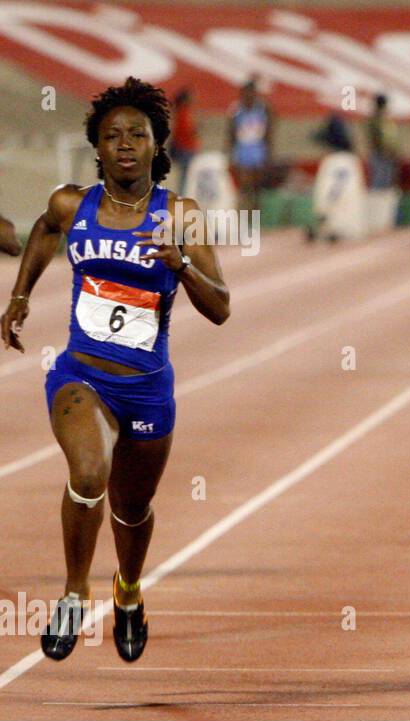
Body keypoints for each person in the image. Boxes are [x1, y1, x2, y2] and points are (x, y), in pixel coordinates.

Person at [1, 77, 231, 663]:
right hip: (81, 375)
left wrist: (182, 266)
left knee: (132, 510)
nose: (124, 143)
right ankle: (75, 594)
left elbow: (221, 307)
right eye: (112, 135)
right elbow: (45, 231)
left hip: (148, 390)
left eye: (137, 134)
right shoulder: (70, 204)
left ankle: (127, 590)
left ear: (159, 146)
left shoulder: (182, 215)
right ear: (96, 148)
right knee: (88, 472)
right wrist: (20, 296)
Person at [228, 78, 273, 211]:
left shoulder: (264, 109)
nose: (248, 96)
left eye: (251, 93)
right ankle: (244, 213)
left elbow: (269, 132)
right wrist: (231, 152)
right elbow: (231, 133)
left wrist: (268, 152)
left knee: (257, 186)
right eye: (245, 93)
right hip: (242, 150)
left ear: (255, 93)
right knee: (244, 185)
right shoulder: (236, 110)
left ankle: (255, 216)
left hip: (258, 149)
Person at [366, 93, 399, 192]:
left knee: (387, 182)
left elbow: (391, 138)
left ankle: (383, 204)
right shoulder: (376, 120)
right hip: (380, 154)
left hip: (387, 154)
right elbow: (376, 138)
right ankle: (376, 205)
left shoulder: (385, 120)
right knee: (379, 181)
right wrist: (384, 150)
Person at [169, 88, 198, 193]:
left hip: (185, 148)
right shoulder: (183, 112)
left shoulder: (182, 112)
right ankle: (181, 195)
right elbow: (186, 131)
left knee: (185, 176)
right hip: (185, 148)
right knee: (184, 176)